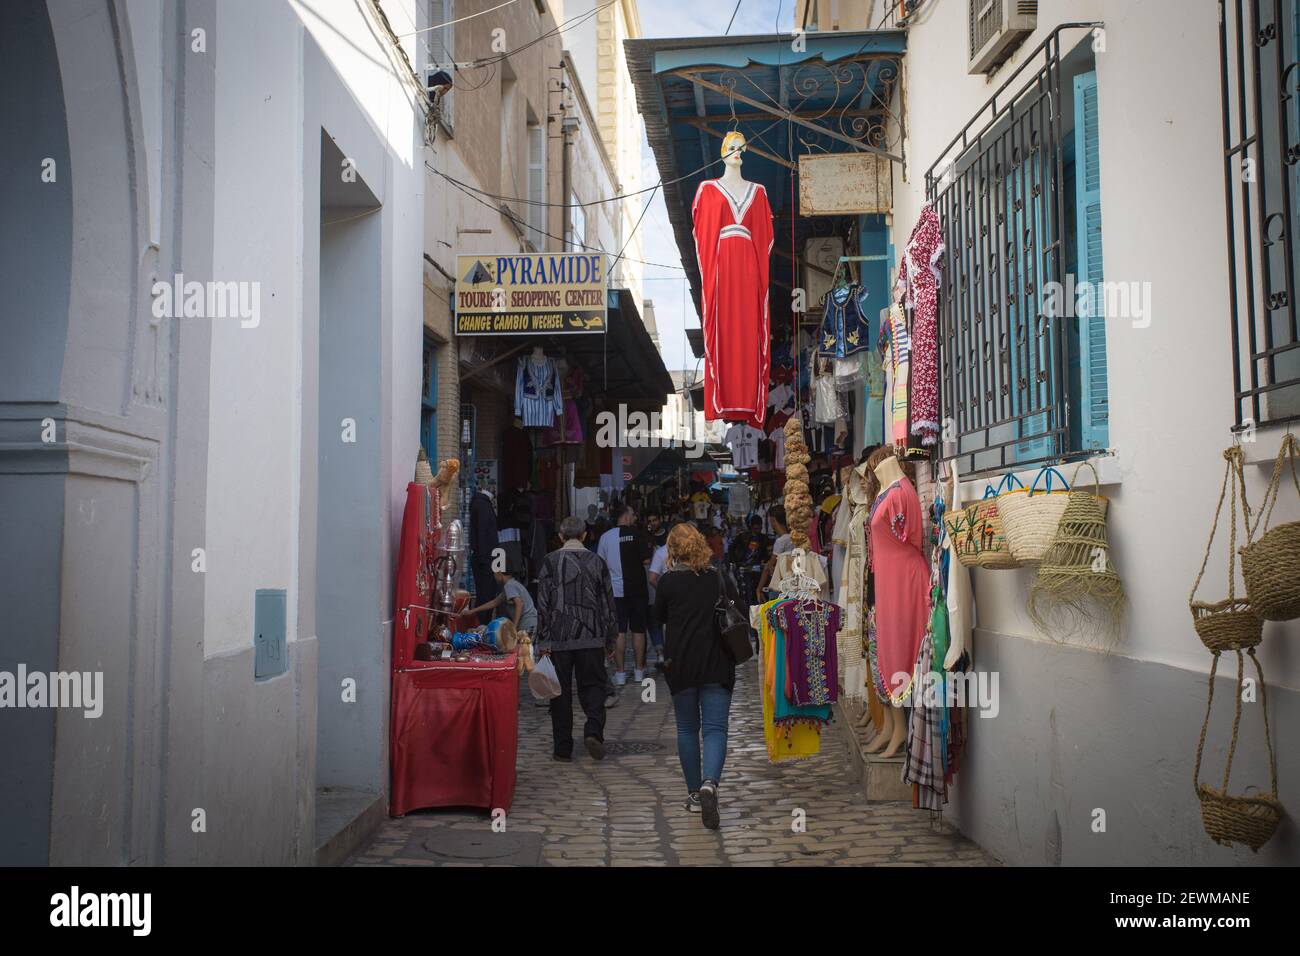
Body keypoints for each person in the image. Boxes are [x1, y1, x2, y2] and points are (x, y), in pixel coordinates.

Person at [654, 523, 738, 829]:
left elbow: (659, 618)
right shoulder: (717, 577)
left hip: (681, 664)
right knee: (715, 729)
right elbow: (736, 609)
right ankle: (709, 785)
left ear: (673, 550)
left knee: (687, 729)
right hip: (717, 662)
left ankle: (693, 794)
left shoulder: (666, 583)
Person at [535, 515, 619, 762]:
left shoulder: (549, 562)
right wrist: (611, 638)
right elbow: (607, 603)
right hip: (592, 637)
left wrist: (543, 643)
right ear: (585, 535)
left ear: (561, 537)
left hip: (558, 639)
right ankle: (593, 731)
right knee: (593, 687)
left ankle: (563, 748)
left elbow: (543, 605)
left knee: (558, 692)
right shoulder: (597, 562)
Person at [596, 504, 651, 685]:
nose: (635, 517)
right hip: (637, 590)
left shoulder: (605, 538)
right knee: (638, 630)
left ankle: (619, 674)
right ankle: (638, 671)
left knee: (619, 631)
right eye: (633, 514)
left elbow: (600, 565)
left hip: (615, 591)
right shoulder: (637, 535)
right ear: (626, 516)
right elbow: (646, 560)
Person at [463, 566, 537, 635]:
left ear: (499, 573)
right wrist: (472, 611)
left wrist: (514, 627)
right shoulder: (511, 585)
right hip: (529, 624)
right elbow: (494, 602)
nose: (494, 576)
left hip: (527, 624)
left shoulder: (509, 585)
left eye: (494, 573)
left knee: (523, 648)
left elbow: (519, 604)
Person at [468, 485, 500, 623]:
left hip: (485, 556)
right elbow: (482, 532)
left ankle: (483, 622)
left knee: (486, 593)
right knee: (486, 593)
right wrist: (484, 558)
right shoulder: (482, 506)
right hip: (485, 558)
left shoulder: (480, 504)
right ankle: (482, 623)